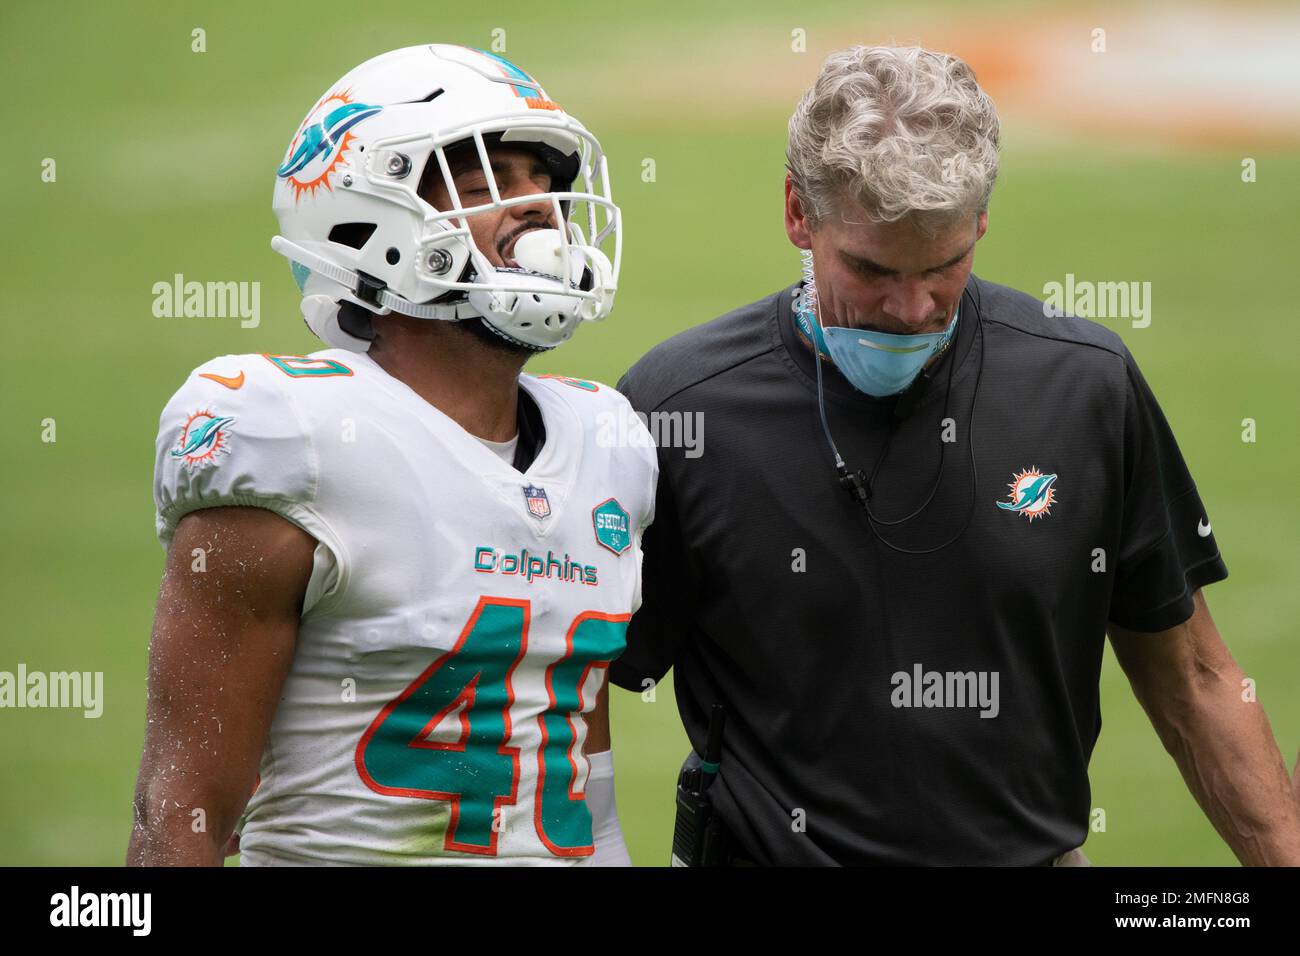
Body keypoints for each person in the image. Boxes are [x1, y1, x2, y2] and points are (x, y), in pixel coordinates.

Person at [608, 45, 1300, 866]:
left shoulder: (1083, 389)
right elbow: (572, 685)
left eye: (944, 269)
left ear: (980, 223)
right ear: (799, 212)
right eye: (870, 270)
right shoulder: (680, 408)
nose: (910, 308)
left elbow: (1196, 681)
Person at [128, 44, 656, 866]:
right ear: (370, 222)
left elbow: (587, 794)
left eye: (538, 183)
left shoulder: (607, 441)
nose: (538, 210)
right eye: (487, 185)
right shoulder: (288, 435)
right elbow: (184, 814)